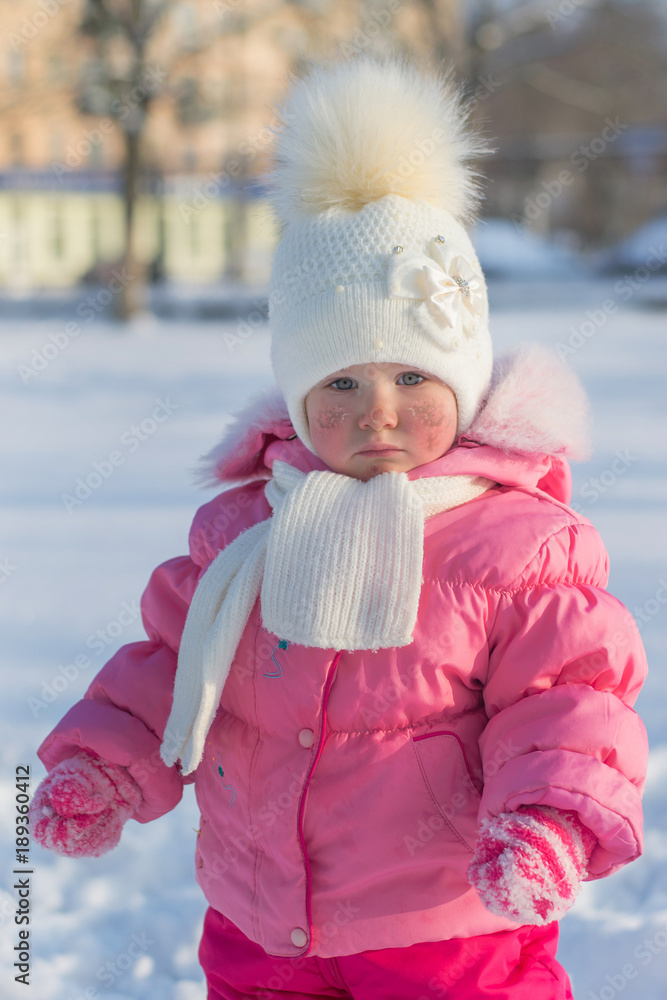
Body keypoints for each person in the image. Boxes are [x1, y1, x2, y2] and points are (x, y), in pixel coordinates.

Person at [30, 56, 648, 999]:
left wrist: (548, 820)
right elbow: (167, 663)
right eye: (341, 385)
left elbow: (566, 702)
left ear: (465, 381)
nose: (378, 413)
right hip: (257, 918)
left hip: (441, 925)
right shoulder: (246, 534)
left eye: (411, 378)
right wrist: (103, 765)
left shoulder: (515, 547)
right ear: (296, 391)